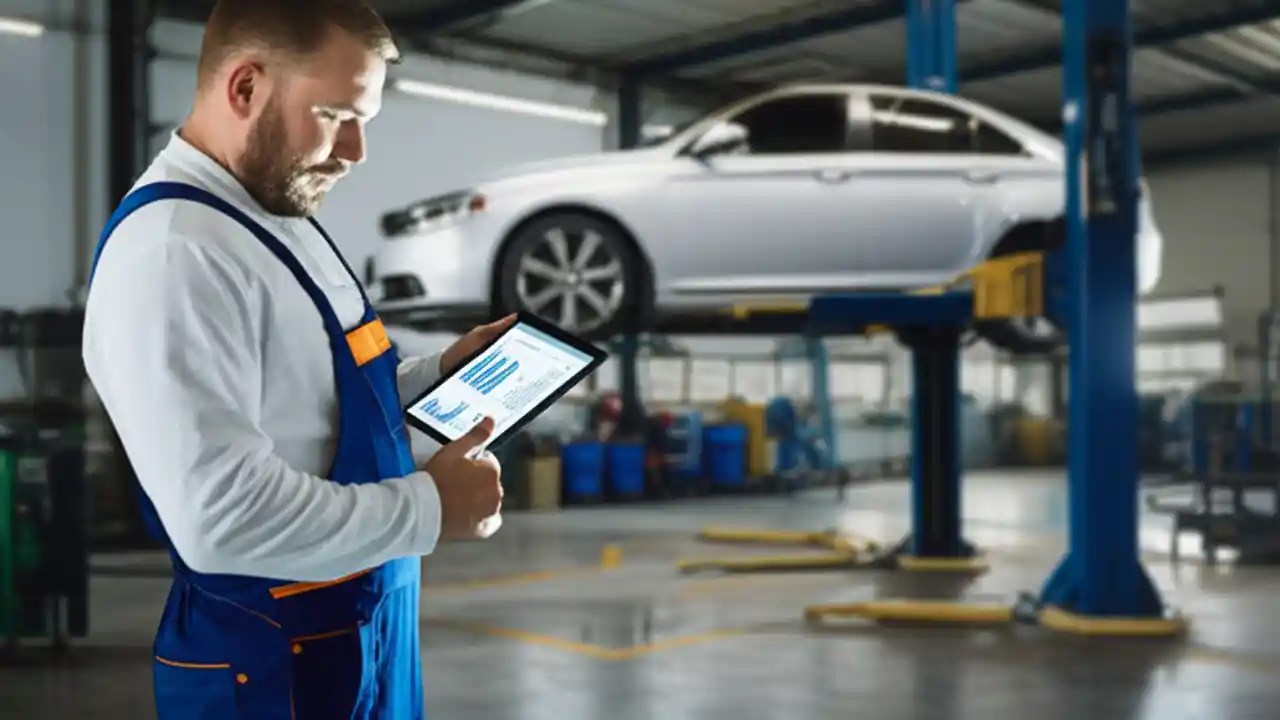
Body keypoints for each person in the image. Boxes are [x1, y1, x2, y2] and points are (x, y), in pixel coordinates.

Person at [81, 1, 505, 717]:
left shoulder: (273, 218)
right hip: (273, 661)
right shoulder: (176, 251)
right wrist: (431, 508)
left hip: (357, 631)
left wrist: (439, 375)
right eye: (338, 115)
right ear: (244, 88)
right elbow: (223, 518)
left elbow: (314, 405)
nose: (355, 152)